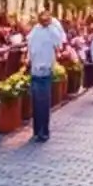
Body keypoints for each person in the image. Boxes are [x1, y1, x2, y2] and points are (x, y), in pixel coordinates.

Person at [26, 10, 66, 143]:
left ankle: (42, 131)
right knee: (38, 102)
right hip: (37, 70)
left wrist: (52, 24)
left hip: (44, 70)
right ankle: (38, 130)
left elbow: (59, 42)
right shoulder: (36, 31)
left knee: (42, 102)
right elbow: (30, 48)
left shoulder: (51, 30)